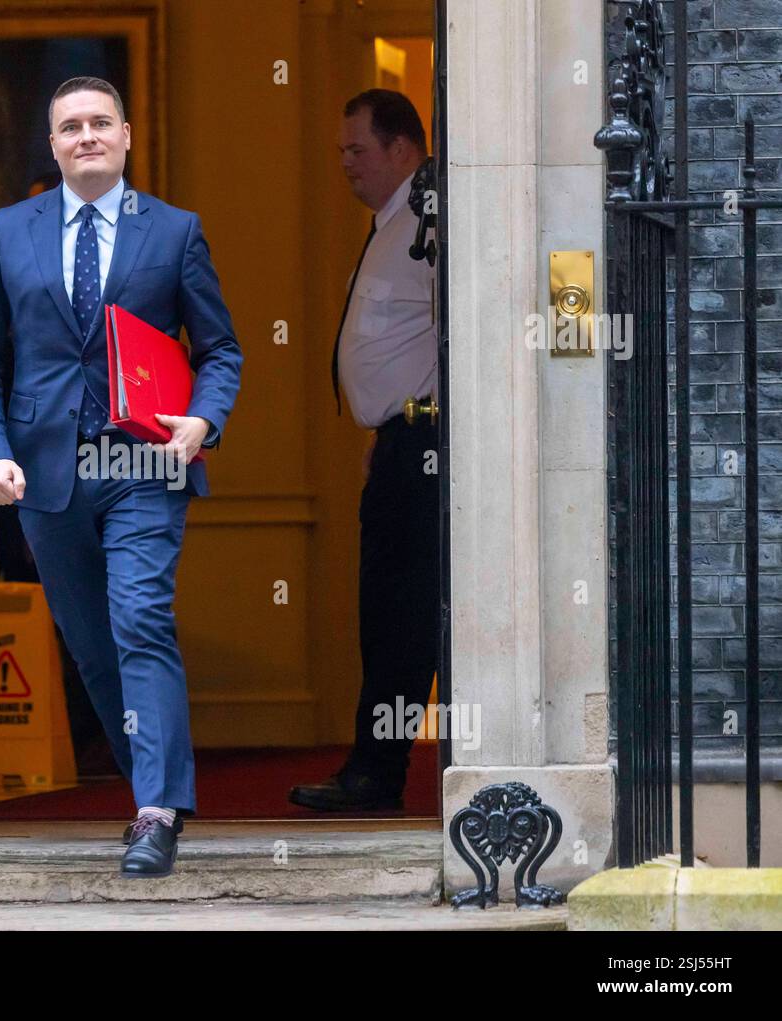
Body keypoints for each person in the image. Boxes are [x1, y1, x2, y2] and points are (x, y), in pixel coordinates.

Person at [0, 76, 242, 876]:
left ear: (124, 138)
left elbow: (220, 348)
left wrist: (203, 418)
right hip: (46, 472)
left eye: (99, 123)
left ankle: (153, 811)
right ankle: (159, 788)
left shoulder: (175, 232)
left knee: (141, 618)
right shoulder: (8, 232)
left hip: (144, 463)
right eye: (70, 126)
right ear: (53, 144)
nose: (86, 136)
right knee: (91, 645)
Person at [289, 88, 439, 813]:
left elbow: (458, 329)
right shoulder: (394, 219)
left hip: (428, 445)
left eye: (358, 150)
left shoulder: (430, 217)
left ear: (401, 148)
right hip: (402, 443)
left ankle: (377, 774)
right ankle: (373, 769)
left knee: (402, 615)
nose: (346, 165)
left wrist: (424, 424)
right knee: (387, 611)